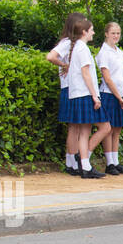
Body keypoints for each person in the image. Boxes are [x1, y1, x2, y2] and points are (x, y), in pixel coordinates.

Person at [88, 21, 123, 174]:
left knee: (117, 129)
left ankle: (115, 161)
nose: (116, 36)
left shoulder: (120, 53)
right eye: (113, 33)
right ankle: (109, 163)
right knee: (108, 129)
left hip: (122, 96)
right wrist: (118, 97)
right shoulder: (103, 52)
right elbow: (107, 78)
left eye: (118, 33)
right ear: (106, 34)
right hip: (109, 94)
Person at [47, 12, 88, 175]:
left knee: (76, 126)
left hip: (73, 88)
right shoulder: (67, 42)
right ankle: (71, 162)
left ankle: (73, 160)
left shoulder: (75, 43)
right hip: (70, 88)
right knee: (74, 126)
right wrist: (64, 65)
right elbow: (50, 56)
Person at [66, 17, 103, 178]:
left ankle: (84, 165)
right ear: (84, 32)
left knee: (84, 131)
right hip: (84, 93)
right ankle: (85, 165)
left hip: (78, 93)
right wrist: (94, 95)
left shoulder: (78, 48)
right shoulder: (82, 49)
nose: (93, 32)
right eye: (91, 30)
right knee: (85, 131)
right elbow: (86, 73)